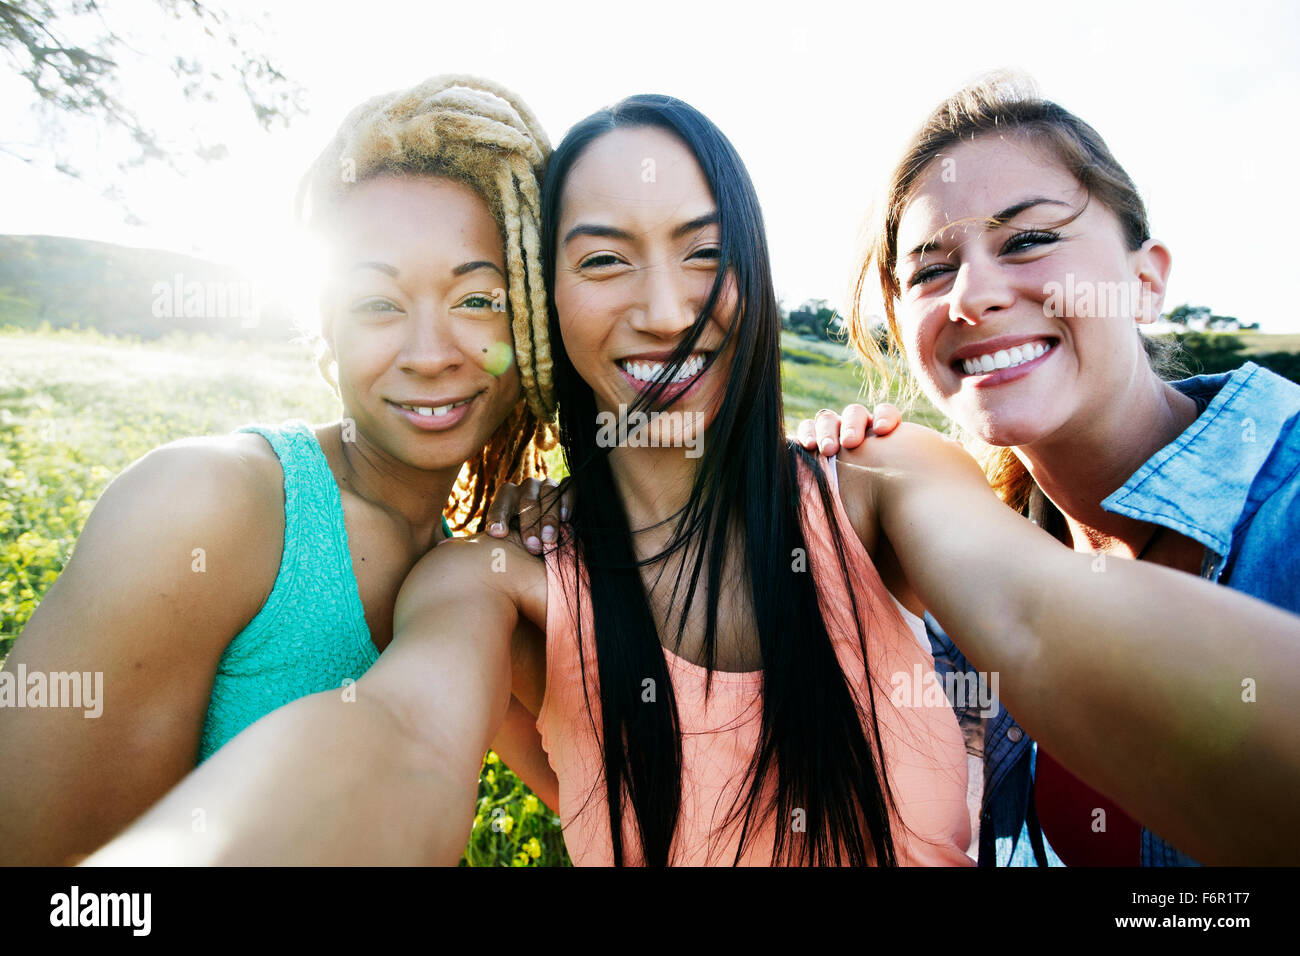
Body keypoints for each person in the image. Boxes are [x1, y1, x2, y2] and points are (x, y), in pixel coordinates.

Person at [86, 92, 1300, 868]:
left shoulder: (877, 479)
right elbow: (399, 736)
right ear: (547, 301)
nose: (663, 309)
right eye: (602, 258)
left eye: (704, 256)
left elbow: (1045, 614)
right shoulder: (497, 576)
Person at [0, 75, 561, 865]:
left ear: (535, 326)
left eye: (479, 302)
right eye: (378, 304)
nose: (431, 354)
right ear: (325, 326)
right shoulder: (203, 507)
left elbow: (621, 804)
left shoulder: (464, 567)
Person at [799, 72, 1300, 865]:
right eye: (929, 270)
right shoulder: (955, 565)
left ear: (1147, 281)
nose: (972, 296)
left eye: (1028, 240)